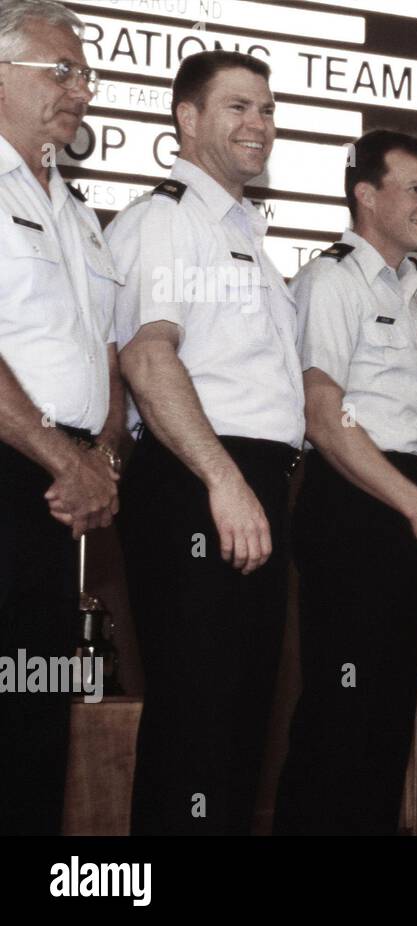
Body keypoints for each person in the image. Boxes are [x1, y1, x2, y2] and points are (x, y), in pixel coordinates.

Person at [106, 50, 304, 835]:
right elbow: (148, 357)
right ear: (186, 120)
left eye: (266, 109)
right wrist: (224, 482)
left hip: (245, 481)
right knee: (197, 722)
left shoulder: (243, 232)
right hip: (200, 477)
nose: (258, 124)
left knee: (238, 725)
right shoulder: (166, 218)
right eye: (237, 108)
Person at [273, 130, 417, 834]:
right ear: (366, 195)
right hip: (354, 507)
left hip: (401, 504)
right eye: (415, 189)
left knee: (388, 712)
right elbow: (325, 420)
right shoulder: (331, 279)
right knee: (341, 710)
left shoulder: (411, 287)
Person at [0, 0, 123, 835]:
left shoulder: (77, 212)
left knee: (36, 716)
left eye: (85, 73)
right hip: (14, 471)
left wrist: (100, 460)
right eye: (62, 71)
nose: (81, 89)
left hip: (61, 492)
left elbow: (102, 356)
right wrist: (59, 457)